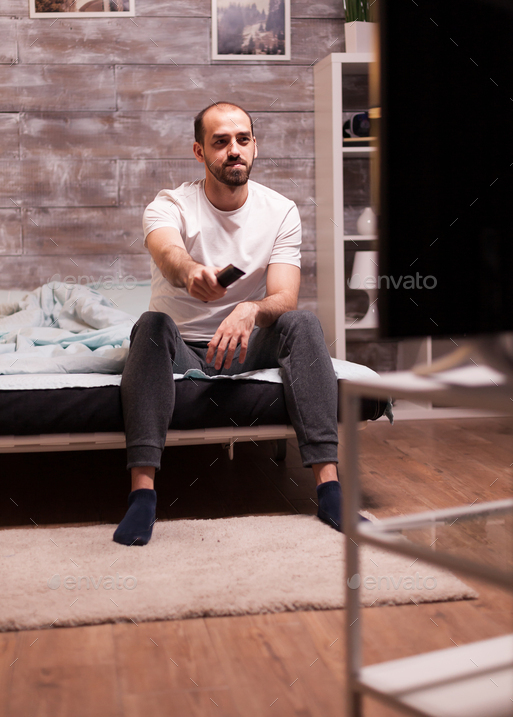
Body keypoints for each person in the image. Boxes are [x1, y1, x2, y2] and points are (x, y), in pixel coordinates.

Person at [113, 101, 344, 546]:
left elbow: (284, 296)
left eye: (242, 139)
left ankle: (329, 489)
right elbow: (167, 252)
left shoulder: (280, 211)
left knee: (302, 322)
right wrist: (189, 272)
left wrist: (251, 310)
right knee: (151, 324)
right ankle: (142, 496)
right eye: (220, 142)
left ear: (255, 146)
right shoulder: (170, 205)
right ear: (200, 152)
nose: (234, 150)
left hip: (245, 345)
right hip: (182, 348)